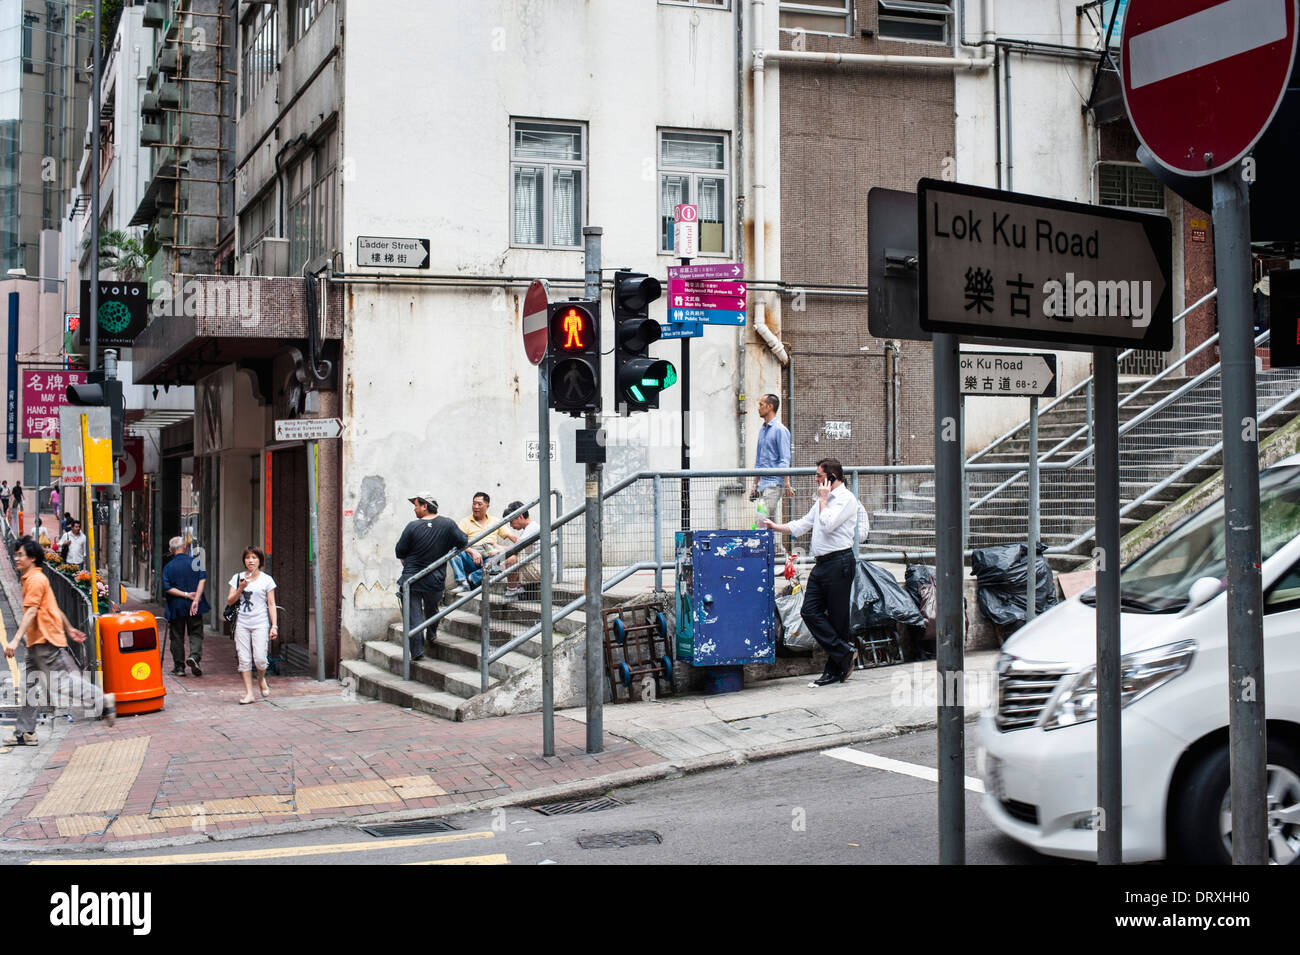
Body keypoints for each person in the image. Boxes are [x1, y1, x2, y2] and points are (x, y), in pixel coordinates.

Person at [761, 457, 864, 687]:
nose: (816, 479)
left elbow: (828, 525)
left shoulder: (846, 500)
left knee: (838, 620)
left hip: (840, 562)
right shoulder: (822, 501)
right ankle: (844, 653)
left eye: (819, 476)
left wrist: (824, 499)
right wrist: (775, 526)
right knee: (809, 611)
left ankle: (834, 670)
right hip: (822, 564)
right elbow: (804, 524)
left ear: (832, 478)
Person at [4, 538, 115, 745]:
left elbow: (31, 613)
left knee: (61, 682)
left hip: (45, 641)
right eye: (16, 554)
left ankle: (101, 698)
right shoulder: (34, 578)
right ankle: (25, 732)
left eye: (20, 555)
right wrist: (69, 628)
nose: (16, 558)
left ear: (33, 558)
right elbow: (54, 608)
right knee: (29, 686)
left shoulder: (35, 581)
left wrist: (15, 639)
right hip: (37, 643)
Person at [395, 494, 468, 660]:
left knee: (413, 616)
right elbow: (463, 541)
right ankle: (432, 633)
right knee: (432, 609)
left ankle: (417, 652)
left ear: (425, 506)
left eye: (416, 505)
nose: (414, 509)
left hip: (411, 579)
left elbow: (400, 551)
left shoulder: (412, 526)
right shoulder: (448, 524)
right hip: (435, 578)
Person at [226, 546, 277, 705]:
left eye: (254, 557)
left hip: (260, 623)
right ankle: (249, 693)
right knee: (244, 659)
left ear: (260, 560)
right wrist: (241, 588)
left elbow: (271, 603)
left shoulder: (267, 579)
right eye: (248, 558)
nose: (251, 561)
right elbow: (229, 601)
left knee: (261, 659)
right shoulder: (237, 577)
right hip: (242, 622)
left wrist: (274, 625)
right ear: (244, 561)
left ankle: (261, 679)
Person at [751, 394, 794, 555]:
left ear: (770, 406)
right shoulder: (763, 430)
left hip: (774, 485)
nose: (758, 407)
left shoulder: (780, 430)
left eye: (761, 404)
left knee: (760, 519)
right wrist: (754, 486)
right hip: (763, 484)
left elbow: (785, 459)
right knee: (770, 522)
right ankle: (781, 556)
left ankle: (757, 552)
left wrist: (787, 483)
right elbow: (759, 461)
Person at [161, 536, 210, 677]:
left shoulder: (168, 567)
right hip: (195, 605)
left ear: (170, 550)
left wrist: (185, 594)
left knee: (177, 636)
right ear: (185, 547)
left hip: (176, 605)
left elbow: (167, 588)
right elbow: (202, 579)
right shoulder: (195, 562)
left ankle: (179, 667)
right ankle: (194, 657)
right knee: (195, 632)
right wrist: (196, 598)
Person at [451, 491, 517, 593]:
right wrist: (473, 552)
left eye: (479, 504)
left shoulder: (495, 521)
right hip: (471, 555)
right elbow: (457, 542)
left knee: (498, 558)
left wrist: (525, 541)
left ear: (487, 506)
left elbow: (512, 536)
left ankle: (471, 578)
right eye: (474, 503)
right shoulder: (465, 521)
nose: (476, 507)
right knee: (452, 550)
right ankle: (462, 582)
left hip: (489, 552)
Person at [501, 501, 542, 599]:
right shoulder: (530, 528)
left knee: (510, 559)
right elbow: (516, 547)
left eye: (511, 521)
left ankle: (512, 592)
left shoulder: (532, 528)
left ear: (520, 516)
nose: (510, 525)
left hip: (541, 571)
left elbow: (515, 549)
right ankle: (518, 587)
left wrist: (498, 552)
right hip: (538, 568)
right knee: (511, 557)